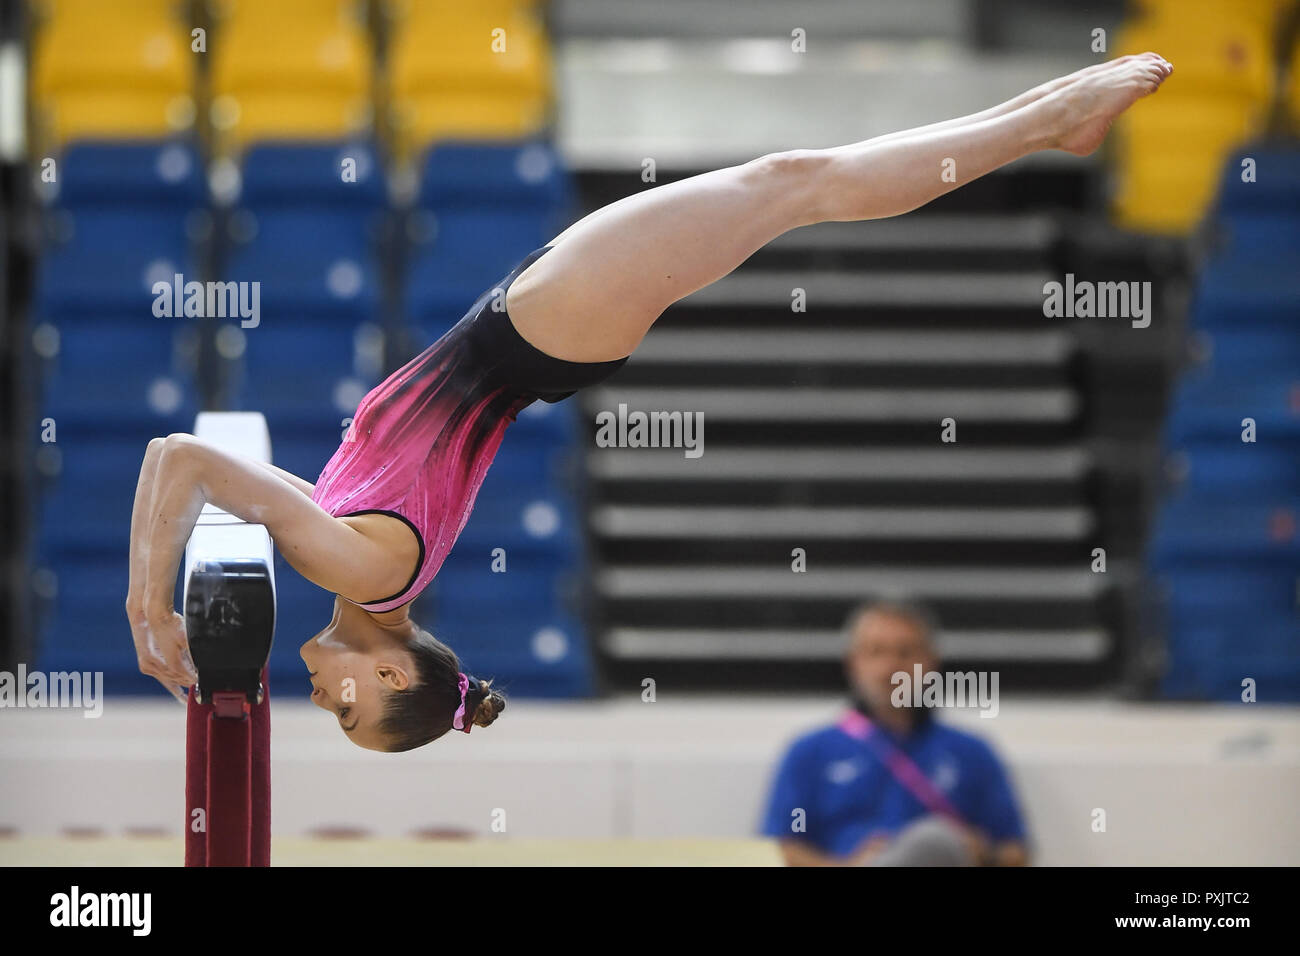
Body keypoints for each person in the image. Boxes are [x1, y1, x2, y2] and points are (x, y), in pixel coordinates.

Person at [125, 55, 1173, 751]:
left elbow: (198, 460)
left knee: (792, 185)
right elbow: (182, 457)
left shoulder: (360, 562)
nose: (325, 704)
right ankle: (1050, 120)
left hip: (539, 330)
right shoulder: (356, 568)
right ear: (393, 671)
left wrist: (162, 596)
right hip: (542, 330)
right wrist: (149, 609)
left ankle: (1048, 115)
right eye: (352, 713)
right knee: (792, 185)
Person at [760, 600, 1029, 865]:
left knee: (934, 838)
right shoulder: (810, 754)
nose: (890, 667)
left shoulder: (971, 753)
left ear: (931, 662)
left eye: (905, 653)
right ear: (852, 663)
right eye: (876, 652)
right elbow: (781, 846)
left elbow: (1015, 850)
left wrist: (984, 852)